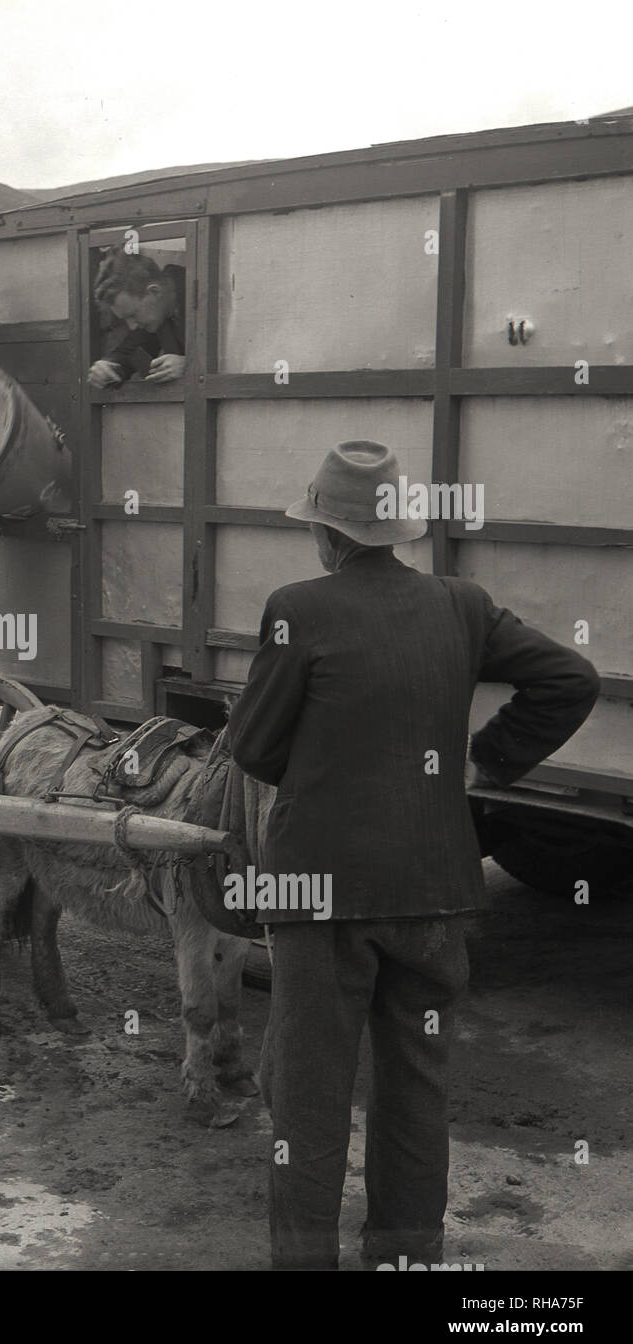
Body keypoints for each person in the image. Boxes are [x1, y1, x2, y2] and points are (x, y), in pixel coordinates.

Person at [226, 440, 599, 1271]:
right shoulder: (462, 604)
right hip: (433, 892)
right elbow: (570, 677)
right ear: (398, 529)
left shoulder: (299, 607)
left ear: (326, 534)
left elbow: (250, 747)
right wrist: (488, 759)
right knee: (416, 1092)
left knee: (310, 1100)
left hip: (319, 894)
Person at [87, 248, 186, 389]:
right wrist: (107, 366)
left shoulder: (211, 295)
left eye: (133, 315)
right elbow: (131, 348)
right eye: (125, 319)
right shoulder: (157, 310)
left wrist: (191, 366)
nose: (132, 326)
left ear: (154, 291)